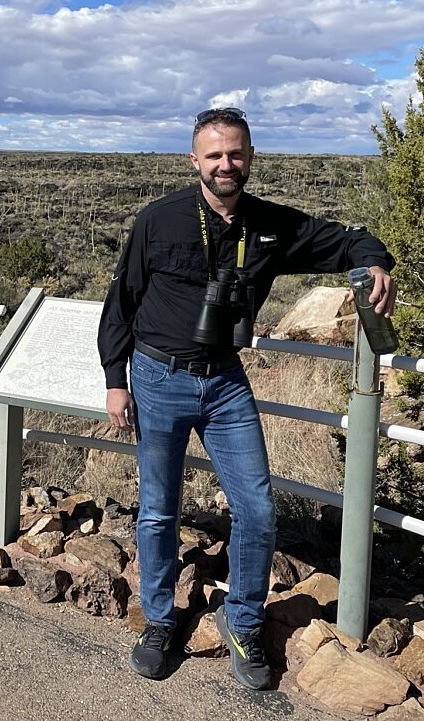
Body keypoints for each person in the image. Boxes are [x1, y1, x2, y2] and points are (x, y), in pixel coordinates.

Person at [97, 107, 395, 690]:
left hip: (226, 380)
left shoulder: (271, 224)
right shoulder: (159, 220)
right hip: (157, 377)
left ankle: (244, 621)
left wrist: (375, 262)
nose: (225, 164)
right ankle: (159, 621)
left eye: (235, 154)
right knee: (158, 510)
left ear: (250, 157)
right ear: (194, 161)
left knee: (257, 510)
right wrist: (116, 380)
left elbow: (349, 240)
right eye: (214, 155)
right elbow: (122, 301)